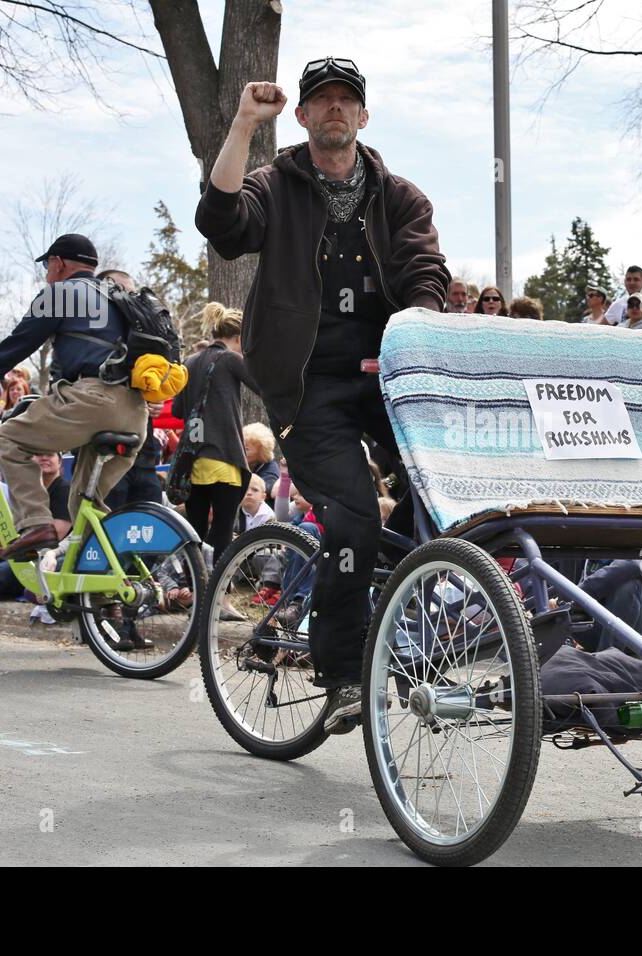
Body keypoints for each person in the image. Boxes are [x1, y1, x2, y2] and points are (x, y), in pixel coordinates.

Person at [195, 60, 448, 734]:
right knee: (354, 520)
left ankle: (404, 608)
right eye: (321, 101)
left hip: (391, 378)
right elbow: (220, 221)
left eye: (347, 101)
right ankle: (341, 675)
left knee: (449, 497)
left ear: (364, 116)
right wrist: (246, 122)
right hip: (308, 388)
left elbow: (426, 271)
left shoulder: (399, 197)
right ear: (302, 116)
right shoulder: (276, 187)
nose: (335, 109)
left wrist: (420, 329)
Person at [0, 232, 149, 560]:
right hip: (137, 412)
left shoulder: (61, 294)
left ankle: (36, 523)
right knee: (84, 508)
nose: (46, 275)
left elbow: (13, 349)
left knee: (9, 438)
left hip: (93, 400)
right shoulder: (120, 296)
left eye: (46, 267)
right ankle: (99, 595)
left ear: (58, 263)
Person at [170, 304, 260, 564]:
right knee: (222, 531)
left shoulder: (189, 361)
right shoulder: (230, 359)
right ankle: (221, 594)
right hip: (224, 459)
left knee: (196, 532)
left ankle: (196, 587)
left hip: (193, 462)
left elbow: (177, 409)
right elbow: (261, 386)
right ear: (238, 338)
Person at [242, 421, 281, 498]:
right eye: (241, 445)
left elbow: (267, 490)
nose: (241, 450)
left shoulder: (270, 472)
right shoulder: (248, 464)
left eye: (246, 449)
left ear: (261, 452)